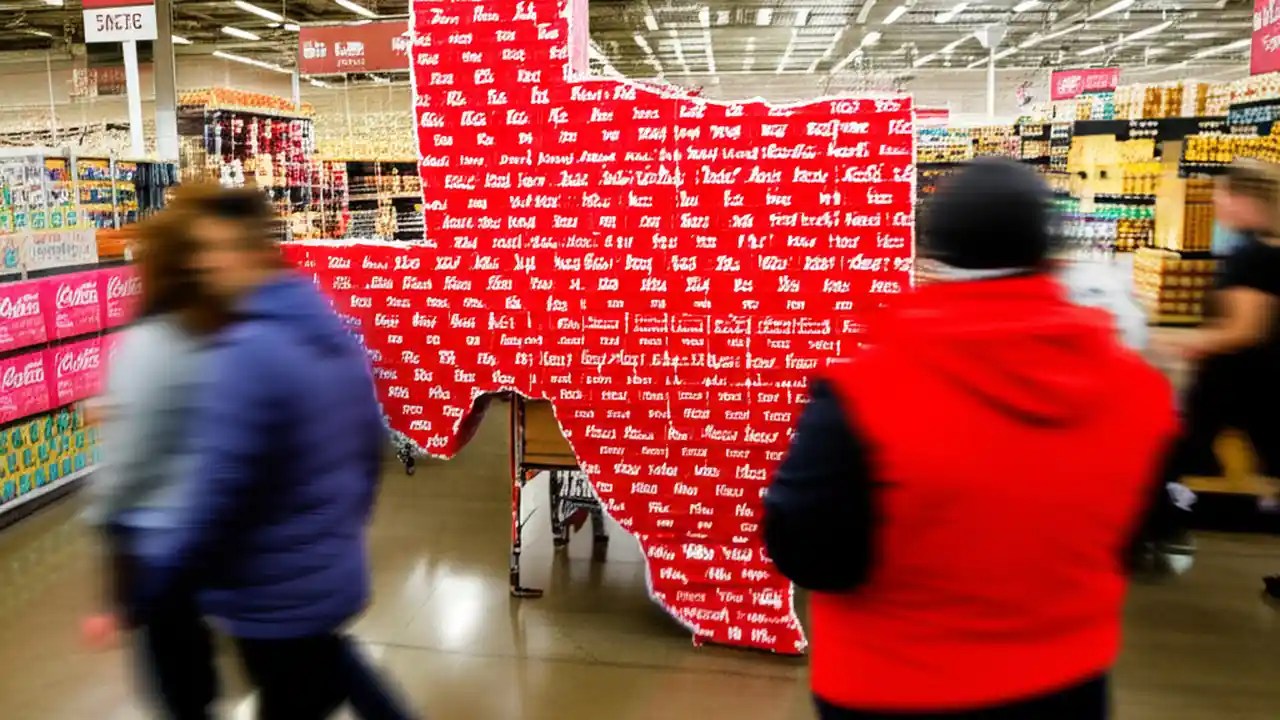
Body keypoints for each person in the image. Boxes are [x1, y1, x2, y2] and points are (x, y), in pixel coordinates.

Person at [763, 158, 1179, 719]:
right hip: (1066, 683)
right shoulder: (1137, 390)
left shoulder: (862, 393)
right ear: (1051, 255)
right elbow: (1142, 536)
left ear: (931, 255)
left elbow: (808, 551)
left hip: (890, 687)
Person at [134, 187, 416, 720]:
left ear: (251, 251)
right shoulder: (328, 326)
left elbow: (220, 490)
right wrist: (335, 533)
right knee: (335, 673)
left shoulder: (249, 352)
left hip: (273, 597)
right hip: (328, 575)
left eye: (215, 248)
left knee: (300, 690)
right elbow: (368, 446)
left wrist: (166, 575)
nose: (203, 263)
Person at [84, 205, 226, 719]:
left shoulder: (149, 343)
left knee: (178, 689)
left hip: (159, 543)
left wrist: (114, 588)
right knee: (197, 681)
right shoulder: (216, 330)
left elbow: (125, 469)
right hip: (210, 531)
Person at [1161, 159, 1280, 590]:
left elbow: (1246, 328)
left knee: (1174, 454)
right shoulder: (1262, 246)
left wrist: (1183, 344)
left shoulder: (1254, 256)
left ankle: (1150, 533)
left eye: (1224, 194)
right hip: (1255, 382)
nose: (1216, 202)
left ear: (1247, 198)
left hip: (1237, 382)